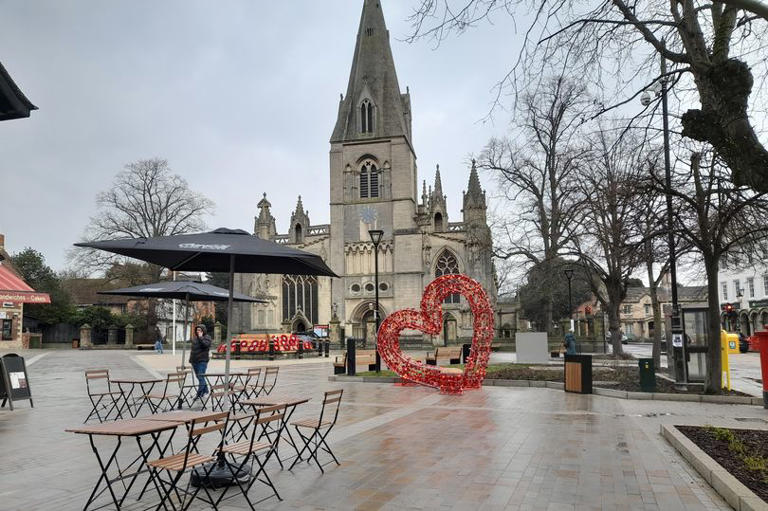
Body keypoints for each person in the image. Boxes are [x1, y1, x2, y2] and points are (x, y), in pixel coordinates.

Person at [190, 324, 212, 400]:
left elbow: (206, 345)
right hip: (194, 361)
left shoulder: (207, 338)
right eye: (197, 330)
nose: (198, 331)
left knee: (200, 377)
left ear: (203, 331)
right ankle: (205, 391)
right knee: (199, 377)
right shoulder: (195, 338)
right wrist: (191, 360)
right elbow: (193, 350)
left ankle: (199, 394)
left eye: (199, 330)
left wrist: (201, 337)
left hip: (202, 361)